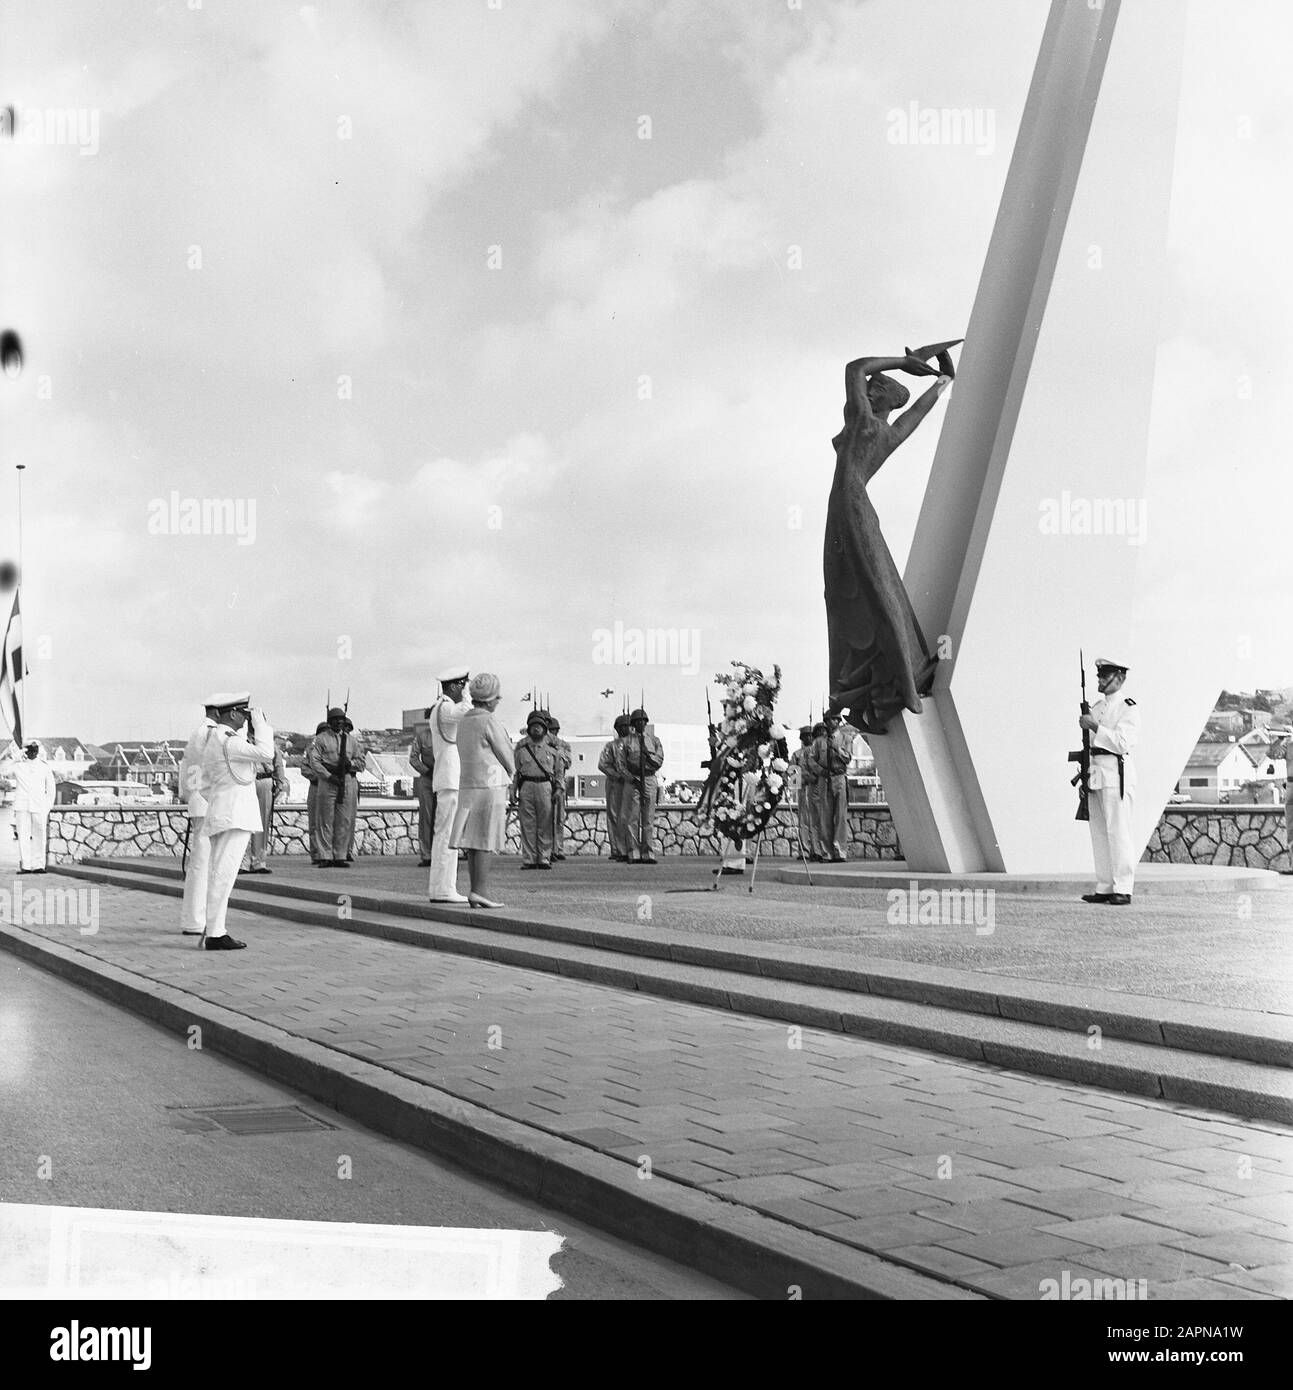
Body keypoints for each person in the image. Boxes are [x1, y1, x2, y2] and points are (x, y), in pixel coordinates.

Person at [825, 343, 959, 733]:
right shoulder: (880, 428)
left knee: (879, 593)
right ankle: (856, 695)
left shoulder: (865, 422)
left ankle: (904, 684)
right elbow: (917, 411)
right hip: (843, 512)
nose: (862, 392)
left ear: (879, 400)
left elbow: (856, 366)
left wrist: (905, 363)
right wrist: (943, 381)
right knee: (844, 597)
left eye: (871, 391)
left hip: (853, 509)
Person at [195, 694, 275, 950]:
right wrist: (261, 724)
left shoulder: (215, 740)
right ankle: (216, 934)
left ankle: (214, 929)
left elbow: (206, 786)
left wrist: (222, 801)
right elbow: (266, 753)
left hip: (223, 813)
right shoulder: (229, 742)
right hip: (235, 817)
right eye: (243, 713)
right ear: (232, 714)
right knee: (223, 875)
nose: (246, 718)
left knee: (220, 873)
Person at [450, 673, 515, 908]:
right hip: (490, 786)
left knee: (473, 840)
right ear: (490, 699)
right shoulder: (489, 721)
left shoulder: (465, 720)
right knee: (486, 839)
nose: (498, 701)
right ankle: (481, 890)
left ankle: (475, 890)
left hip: (468, 784)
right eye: (497, 697)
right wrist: (513, 773)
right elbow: (505, 753)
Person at [1079, 657, 1141, 906]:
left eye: (1106, 676)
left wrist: (1095, 726)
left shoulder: (1128, 708)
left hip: (1117, 772)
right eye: (1099, 676)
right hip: (1096, 771)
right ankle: (1105, 886)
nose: (1100, 680)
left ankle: (1123, 888)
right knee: (1100, 832)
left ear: (1120, 678)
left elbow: (1123, 743)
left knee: (1119, 831)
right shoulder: (1097, 706)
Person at [427, 667, 471, 904]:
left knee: (445, 834)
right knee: (447, 835)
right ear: (454, 686)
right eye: (463, 685)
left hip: (448, 777)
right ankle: (444, 889)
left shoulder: (440, 707)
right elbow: (467, 711)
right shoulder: (445, 708)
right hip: (449, 777)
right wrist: (469, 695)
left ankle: (441, 888)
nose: (465, 689)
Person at [308, 706, 367, 867]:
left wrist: (350, 763)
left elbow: (361, 763)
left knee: (344, 820)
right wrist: (328, 776)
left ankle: (340, 855)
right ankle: (325, 855)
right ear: (329, 722)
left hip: (346, 780)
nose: (339, 723)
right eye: (335, 720)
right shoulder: (321, 739)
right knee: (324, 820)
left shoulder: (352, 741)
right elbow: (315, 762)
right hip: (327, 781)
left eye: (341, 720)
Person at [178, 702, 219, 933]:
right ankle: (196, 920)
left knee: (200, 863)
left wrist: (187, 794)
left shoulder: (197, 733)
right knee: (203, 864)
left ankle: (195, 918)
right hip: (208, 801)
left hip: (198, 800)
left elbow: (184, 768)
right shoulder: (212, 733)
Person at [514, 710, 559, 869]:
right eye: (533, 726)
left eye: (539, 726)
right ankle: (530, 859)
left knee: (545, 823)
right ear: (528, 729)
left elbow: (558, 772)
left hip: (545, 787)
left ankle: (544, 858)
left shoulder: (552, 749)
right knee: (528, 824)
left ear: (545, 729)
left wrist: (558, 789)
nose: (536, 729)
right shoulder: (521, 748)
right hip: (526, 787)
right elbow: (516, 772)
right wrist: (513, 792)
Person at [622, 708, 664, 865]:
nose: (640, 723)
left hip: (649, 778)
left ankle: (648, 852)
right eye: (637, 721)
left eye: (643, 721)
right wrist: (631, 778)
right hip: (633, 780)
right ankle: (633, 852)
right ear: (633, 724)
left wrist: (648, 755)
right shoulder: (626, 742)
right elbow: (621, 764)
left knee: (648, 819)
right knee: (632, 818)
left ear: (646, 723)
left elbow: (659, 760)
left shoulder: (654, 740)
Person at [7, 741, 55, 874]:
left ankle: (39, 865)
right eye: (30, 750)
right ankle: (26, 865)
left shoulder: (44, 767)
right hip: (22, 806)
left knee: (39, 835)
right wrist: (16, 756)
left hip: (39, 806)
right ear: (26, 751)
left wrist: (47, 807)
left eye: (35, 750)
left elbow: (51, 789)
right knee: (23, 836)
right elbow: (3, 770)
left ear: (38, 751)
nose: (33, 753)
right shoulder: (18, 766)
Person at [244, 737, 289, 874]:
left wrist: (280, 783)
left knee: (263, 822)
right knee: (245, 822)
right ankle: (243, 862)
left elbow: (278, 764)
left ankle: (259, 861)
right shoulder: (241, 739)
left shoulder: (268, 742)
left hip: (265, 779)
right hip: (247, 780)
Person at [813, 711, 853, 862]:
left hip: (839, 777)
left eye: (833, 720)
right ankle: (827, 852)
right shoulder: (818, 741)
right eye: (828, 720)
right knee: (825, 817)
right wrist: (820, 770)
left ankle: (840, 851)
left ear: (838, 721)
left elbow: (848, 758)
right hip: (825, 778)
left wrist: (837, 749)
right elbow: (812, 760)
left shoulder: (846, 738)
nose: (830, 723)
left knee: (841, 816)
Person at [599, 714, 631, 860]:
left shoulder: (636, 744)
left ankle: (630, 848)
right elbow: (603, 764)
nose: (626, 728)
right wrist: (616, 776)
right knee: (614, 815)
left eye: (628, 725)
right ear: (617, 728)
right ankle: (616, 849)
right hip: (616, 783)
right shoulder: (611, 746)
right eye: (623, 726)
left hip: (631, 783)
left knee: (630, 816)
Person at [408, 706, 437, 868]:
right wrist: (426, 770)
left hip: (446, 780)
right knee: (427, 818)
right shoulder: (423, 736)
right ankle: (427, 854)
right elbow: (413, 758)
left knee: (445, 818)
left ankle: (442, 854)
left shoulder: (452, 735)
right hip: (427, 780)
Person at [790, 725, 823, 862]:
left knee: (817, 820)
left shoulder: (818, 752)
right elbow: (793, 777)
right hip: (803, 789)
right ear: (802, 738)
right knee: (803, 821)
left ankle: (817, 850)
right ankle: (804, 850)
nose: (808, 738)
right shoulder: (796, 754)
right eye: (806, 736)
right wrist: (803, 779)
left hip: (816, 788)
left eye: (810, 735)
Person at [545, 714, 572, 860]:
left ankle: (558, 848)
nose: (551, 733)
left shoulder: (563, 745)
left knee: (559, 818)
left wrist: (558, 752)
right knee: (546, 819)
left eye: (554, 730)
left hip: (559, 781)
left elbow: (568, 762)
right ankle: (548, 849)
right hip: (545, 782)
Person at [301, 720, 328, 865]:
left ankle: (327, 853)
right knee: (314, 823)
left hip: (329, 787)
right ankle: (316, 854)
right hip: (316, 786)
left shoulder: (332, 749)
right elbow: (304, 769)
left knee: (327, 822)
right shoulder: (311, 749)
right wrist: (317, 776)